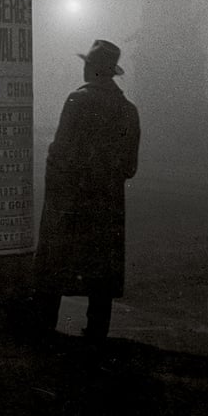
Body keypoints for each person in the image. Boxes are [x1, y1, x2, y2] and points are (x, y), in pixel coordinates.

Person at [32, 38, 140, 340]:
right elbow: (130, 166)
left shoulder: (76, 101)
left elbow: (59, 153)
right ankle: (96, 332)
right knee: (101, 270)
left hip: (71, 198)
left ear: (91, 69)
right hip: (107, 203)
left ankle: (44, 327)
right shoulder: (128, 110)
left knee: (55, 262)